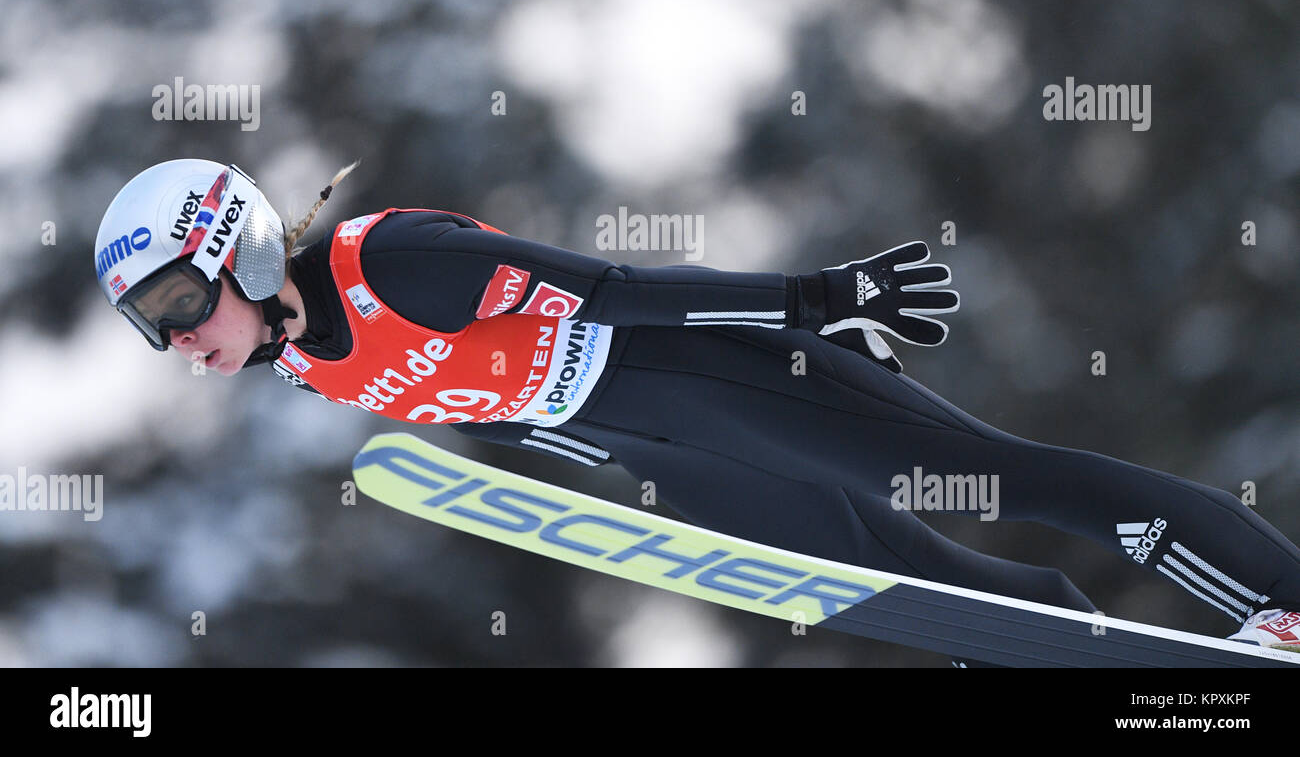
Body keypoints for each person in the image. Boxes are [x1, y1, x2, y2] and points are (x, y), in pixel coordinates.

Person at [93, 157, 1300, 656]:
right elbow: (486, 398)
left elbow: (618, 290)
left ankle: (1279, 608)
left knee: (999, 481)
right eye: (152, 327)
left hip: (716, 377)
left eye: (179, 301)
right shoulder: (305, 362)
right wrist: (600, 464)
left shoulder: (393, 261)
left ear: (237, 245)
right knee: (917, 593)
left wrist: (809, 301)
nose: (179, 337)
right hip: (657, 444)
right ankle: (1134, 667)